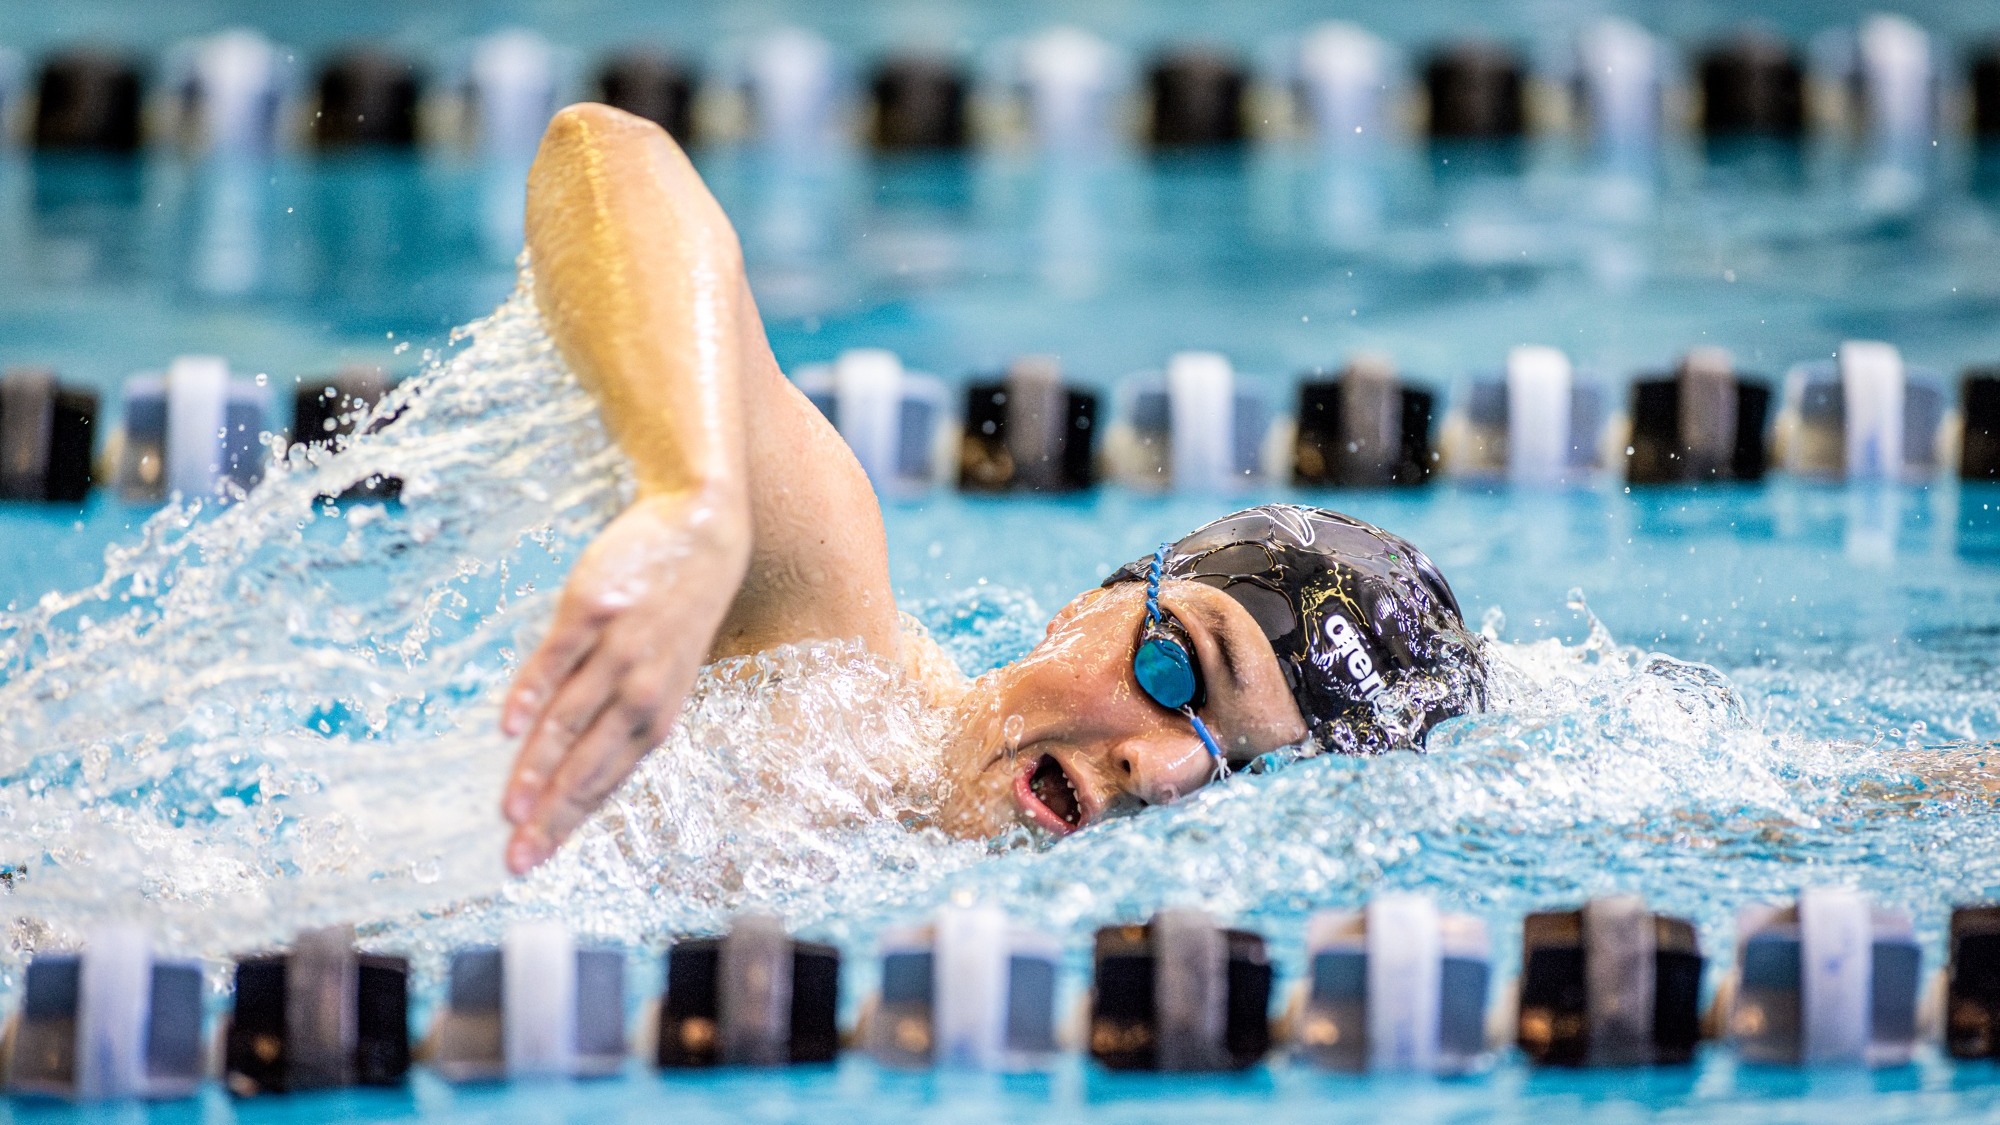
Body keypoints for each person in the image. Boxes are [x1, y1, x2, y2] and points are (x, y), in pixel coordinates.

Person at [497, 104, 1485, 875]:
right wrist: (697, 499)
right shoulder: (817, 649)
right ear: (1091, 602)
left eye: (1242, 774)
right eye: (1172, 669)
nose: (1162, 768)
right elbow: (605, 153)